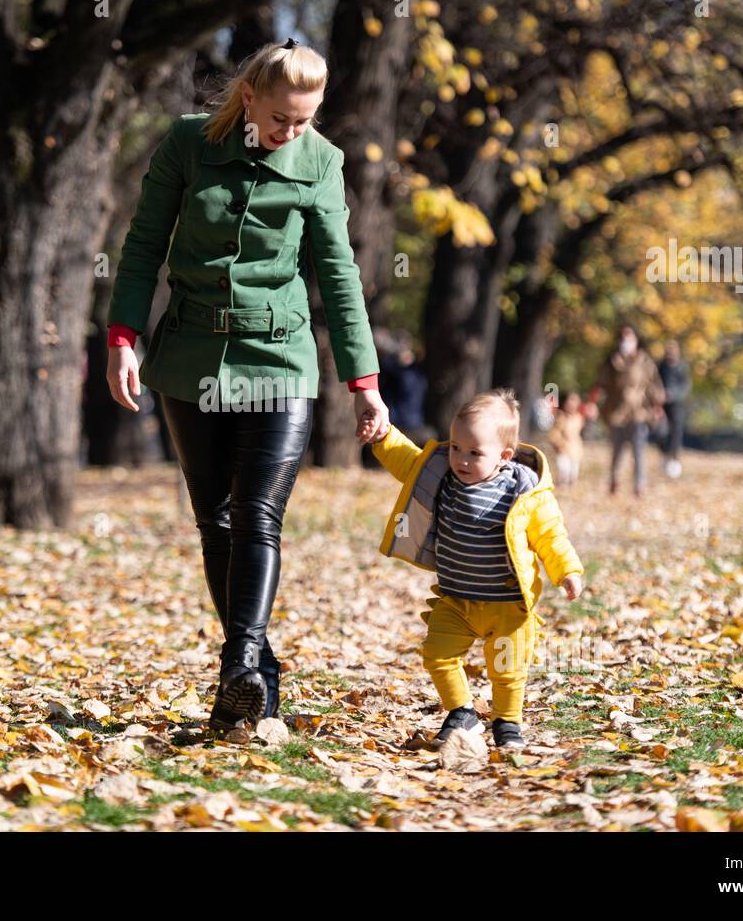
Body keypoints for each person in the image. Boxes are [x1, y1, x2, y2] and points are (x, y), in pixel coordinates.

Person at [104, 39, 389, 733]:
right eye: (283, 117)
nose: (293, 132)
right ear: (249, 97)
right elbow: (144, 244)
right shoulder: (187, 144)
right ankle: (261, 679)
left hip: (278, 355)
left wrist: (364, 379)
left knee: (258, 512)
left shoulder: (321, 162)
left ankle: (237, 666)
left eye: (306, 118)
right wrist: (122, 339)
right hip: (193, 353)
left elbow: (339, 273)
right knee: (218, 524)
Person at [369, 388, 584, 749]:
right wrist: (382, 435)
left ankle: (507, 723)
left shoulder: (524, 491)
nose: (461, 459)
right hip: (456, 600)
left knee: (507, 671)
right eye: (455, 447)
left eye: (474, 453)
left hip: (508, 606)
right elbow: (406, 461)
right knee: (437, 654)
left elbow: (551, 535)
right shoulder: (441, 476)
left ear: (504, 456)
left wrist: (567, 571)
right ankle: (462, 711)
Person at [588, 324, 665, 498]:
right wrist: (592, 402)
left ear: (636, 339)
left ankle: (639, 486)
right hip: (616, 412)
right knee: (617, 451)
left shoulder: (645, 361)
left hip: (639, 412)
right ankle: (614, 482)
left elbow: (654, 385)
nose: (626, 340)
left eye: (629, 336)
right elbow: (599, 383)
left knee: (639, 451)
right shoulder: (612, 360)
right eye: (623, 337)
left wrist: (657, 405)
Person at [657, 339, 691, 479]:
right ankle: (665, 454)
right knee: (661, 432)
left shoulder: (682, 367)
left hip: (677, 406)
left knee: (676, 433)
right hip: (661, 405)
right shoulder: (661, 367)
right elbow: (654, 382)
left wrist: (673, 394)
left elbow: (685, 387)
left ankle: (674, 460)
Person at [547, 390, 585, 486]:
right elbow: (554, 433)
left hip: (575, 448)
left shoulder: (578, 418)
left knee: (574, 472)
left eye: (575, 401)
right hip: (563, 448)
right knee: (564, 469)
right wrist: (557, 442)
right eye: (570, 401)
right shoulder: (561, 417)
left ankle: (570, 486)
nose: (572, 404)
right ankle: (561, 485)